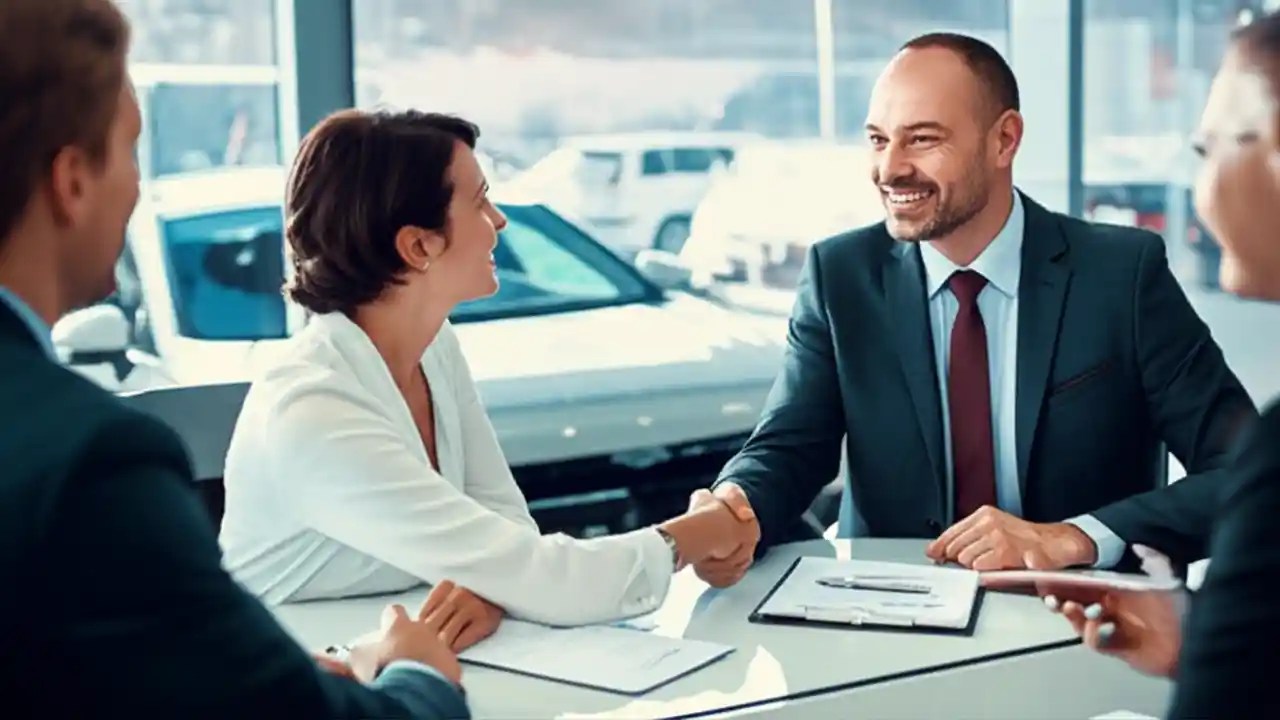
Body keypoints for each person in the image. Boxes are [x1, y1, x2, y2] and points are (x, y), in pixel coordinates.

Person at [0, 1, 470, 717]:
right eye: (130, 152)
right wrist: (419, 675)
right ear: (70, 181)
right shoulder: (90, 462)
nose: (136, 187)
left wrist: (240, 673)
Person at [687, 31, 1257, 589]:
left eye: (923, 140)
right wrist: (736, 506)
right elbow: (789, 447)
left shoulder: (1120, 275)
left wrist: (1071, 538)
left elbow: (1243, 474)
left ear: (1004, 140)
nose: (889, 170)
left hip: (1080, 629)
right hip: (886, 622)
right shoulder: (841, 276)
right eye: (879, 140)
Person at [217, 108, 758, 643]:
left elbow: (509, 535)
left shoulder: (433, 347)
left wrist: (497, 585)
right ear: (417, 245)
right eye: (479, 201)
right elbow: (545, 579)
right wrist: (700, 531)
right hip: (294, 681)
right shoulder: (313, 409)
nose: (499, 220)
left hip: (407, 657)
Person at [1032, 12, 1280, 718]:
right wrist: (1212, 638)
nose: (1198, 185)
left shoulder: (1275, 453)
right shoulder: (843, 274)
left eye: (1206, 149)